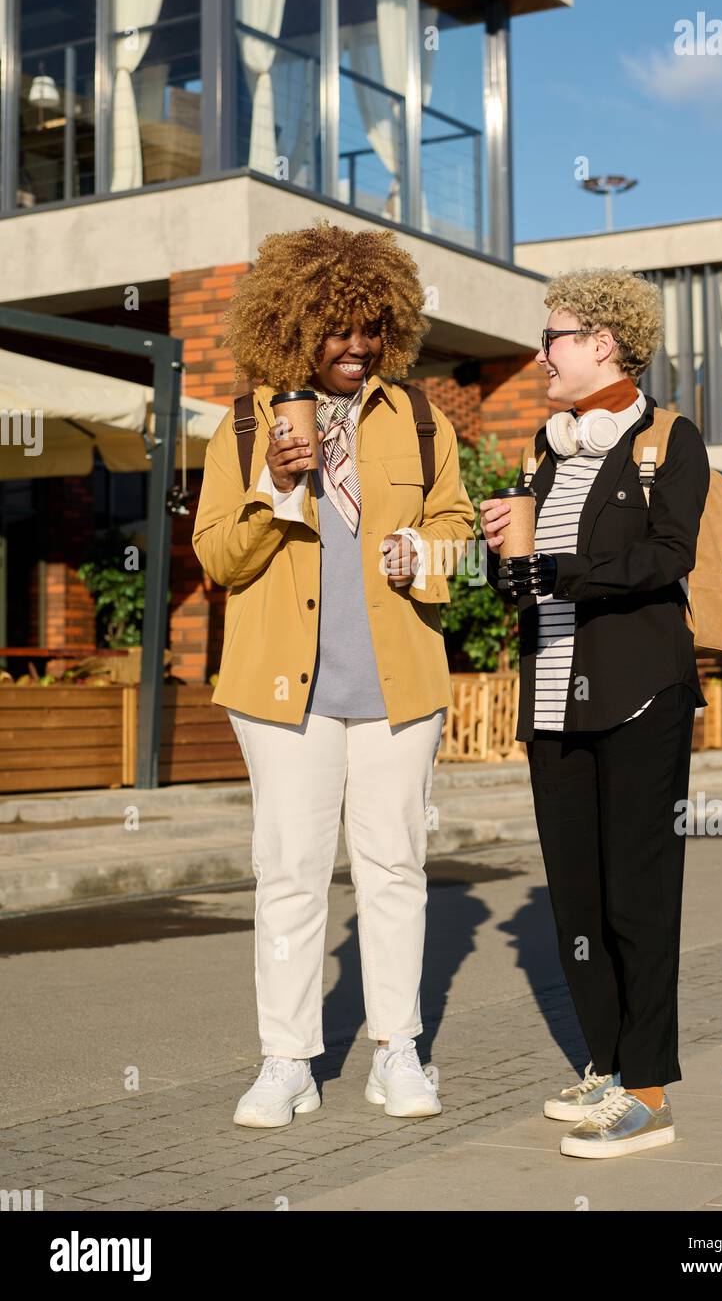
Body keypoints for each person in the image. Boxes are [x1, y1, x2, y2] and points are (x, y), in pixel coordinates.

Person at [192, 222, 475, 1127]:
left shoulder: (425, 422)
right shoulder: (243, 427)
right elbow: (216, 561)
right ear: (293, 327)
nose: (358, 348)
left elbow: (460, 537)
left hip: (400, 687)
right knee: (289, 872)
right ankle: (287, 1062)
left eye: (372, 330)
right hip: (281, 691)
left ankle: (398, 1049)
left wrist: (421, 554)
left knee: (394, 867)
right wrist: (273, 491)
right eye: (337, 330)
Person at [480, 267, 710, 1159]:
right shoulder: (549, 446)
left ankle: (649, 1091)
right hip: (552, 700)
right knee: (576, 900)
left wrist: (557, 567)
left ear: (603, 343)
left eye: (554, 338)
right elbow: (520, 582)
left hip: (638, 696)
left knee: (637, 896)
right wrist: (506, 554)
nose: (542, 355)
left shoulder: (668, 440)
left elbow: (665, 558)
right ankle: (608, 1068)